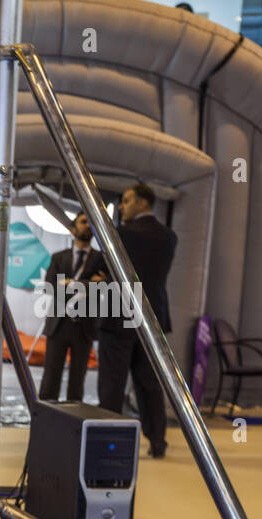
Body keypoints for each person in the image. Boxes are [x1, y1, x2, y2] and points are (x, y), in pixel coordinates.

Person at [95, 182, 176, 457]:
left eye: (127, 200)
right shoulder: (169, 237)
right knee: (149, 384)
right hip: (152, 320)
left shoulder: (123, 234)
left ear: (142, 203)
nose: (122, 206)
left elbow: (104, 270)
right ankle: (157, 442)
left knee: (112, 385)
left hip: (119, 316)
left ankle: (109, 443)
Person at [38, 211, 104, 403]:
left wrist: (69, 283)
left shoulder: (101, 259)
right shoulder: (59, 257)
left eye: (90, 223)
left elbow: (104, 288)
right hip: (58, 324)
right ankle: (46, 415)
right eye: (83, 222)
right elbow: (50, 287)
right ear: (74, 228)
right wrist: (87, 284)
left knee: (78, 381)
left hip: (84, 326)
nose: (87, 226)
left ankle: (74, 421)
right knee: (50, 378)